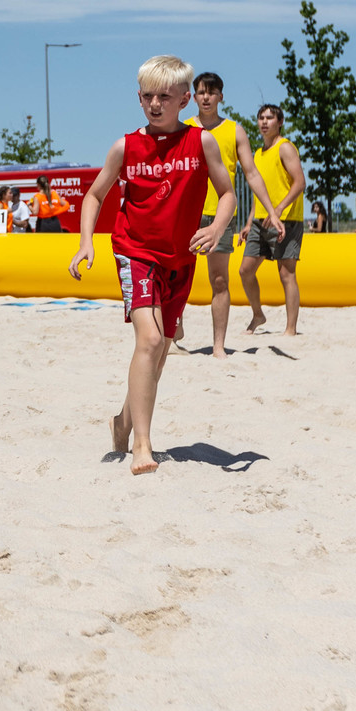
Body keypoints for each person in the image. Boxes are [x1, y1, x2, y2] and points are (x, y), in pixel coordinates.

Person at [67, 55, 234, 474]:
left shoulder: (202, 142)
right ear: (138, 98)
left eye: (164, 96)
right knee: (152, 340)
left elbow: (228, 193)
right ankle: (142, 446)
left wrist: (216, 227)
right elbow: (94, 196)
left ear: (184, 99)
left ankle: (123, 423)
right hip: (134, 250)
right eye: (147, 96)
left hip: (180, 259)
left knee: (159, 353)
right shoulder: (126, 146)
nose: (155, 104)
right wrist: (87, 243)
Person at [182, 72, 278, 357]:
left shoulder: (234, 130)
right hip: (186, 215)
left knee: (220, 281)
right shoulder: (182, 128)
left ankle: (219, 346)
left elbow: (251, 173)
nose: (206, 97)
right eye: (201, 92)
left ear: (221, 97)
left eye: (212, 92)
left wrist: (271, 211)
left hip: (220, 215)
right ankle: (173, 335)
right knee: (177, 276)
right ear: (193, 97)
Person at [240, 104, 306, 336]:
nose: (264, 122)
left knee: (286, 274)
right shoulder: (257, 154)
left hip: (287, 219)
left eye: (269, 118)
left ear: (280, 122)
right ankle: (258, 314)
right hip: (260, 220)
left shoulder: (285, 147)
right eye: (261, 118)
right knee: (245, 271)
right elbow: (258, 195)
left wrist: (277, 209)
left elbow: (300, 182)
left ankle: (291, 329)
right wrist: (249, 222)